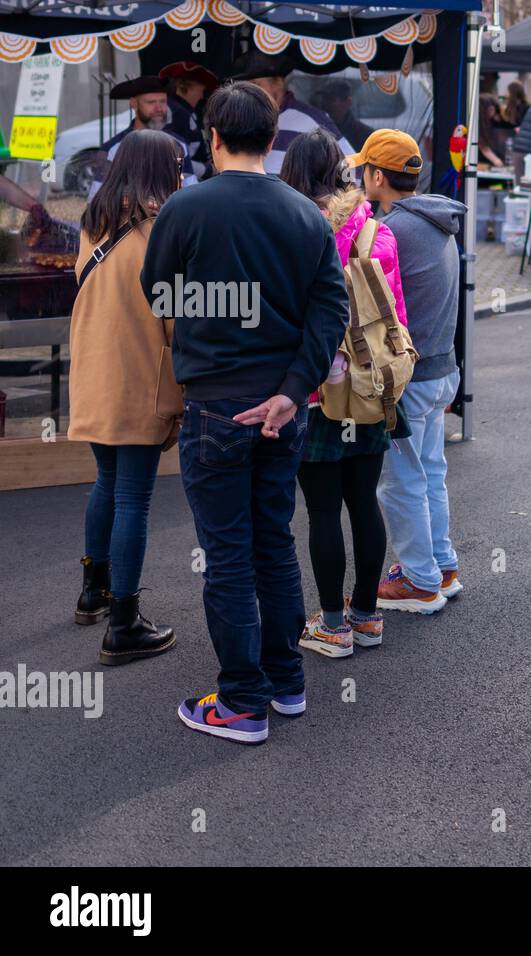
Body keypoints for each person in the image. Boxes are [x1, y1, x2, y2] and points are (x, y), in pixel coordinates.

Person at [141, 81, 349, 744]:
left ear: (214, 137)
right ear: (270, 136)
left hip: (216, 407)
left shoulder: (188, 207)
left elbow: (159, 293)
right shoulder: (306, 215)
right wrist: (292, 388)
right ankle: (285, 683)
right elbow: (330, 310)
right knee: (273, 544)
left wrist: (224, 306)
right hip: (284, 410)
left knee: (228, 555)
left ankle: (240, 702)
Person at [279, 129, 409, 658]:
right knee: (364, 502)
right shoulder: (378, 230)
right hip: (370, 386)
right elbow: (397, 312)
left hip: (316, 390)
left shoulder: (291, 230)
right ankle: (366, 616)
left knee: (323, 509)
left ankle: (332, 625)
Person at [69, 130, 184, 666]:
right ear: (163, 171)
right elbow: (176, 313)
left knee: (107, 482)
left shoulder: (94, 223)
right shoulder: (161, 231)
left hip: (93, 374)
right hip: (140, 376)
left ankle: (94, 593)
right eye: (178, 165)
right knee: (133, 497)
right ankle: (124, 623)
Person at [349, 130, 468, 614]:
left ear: (378, 176)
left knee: (400, 482)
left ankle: (420, 583)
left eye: (364, 169)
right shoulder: (437, 218)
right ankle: (441, 567)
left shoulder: (393, 230)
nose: (359, 177)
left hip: (410, 379)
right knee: (430, 473)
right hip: (443, 370)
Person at [230, 51, 353, 175]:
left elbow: (352, 167)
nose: (248, 92)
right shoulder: (237, 122)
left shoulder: (313, 120)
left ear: (278, 84)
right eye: (243, 86)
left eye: (256, 85)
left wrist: (318, 193)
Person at [90, 76, 196, 199]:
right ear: (134, 103)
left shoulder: (178, 144)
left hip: (170, 216)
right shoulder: (113, 149)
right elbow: (96, 200)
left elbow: (191, 190)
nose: (159, 108)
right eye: (151, 102)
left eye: (163, 101)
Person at [161, 61, 217, 179]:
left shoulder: (185, 111)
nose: (202, 96)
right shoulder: (177, 113)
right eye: (200, 90)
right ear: (184, 87)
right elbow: (175, 158)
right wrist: (207, 170)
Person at [313, 78, 376, 155]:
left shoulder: (365, 135)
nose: (325, 104)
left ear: (348, 102)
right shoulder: (314, 129)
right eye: (323, 99)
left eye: (331, 100)